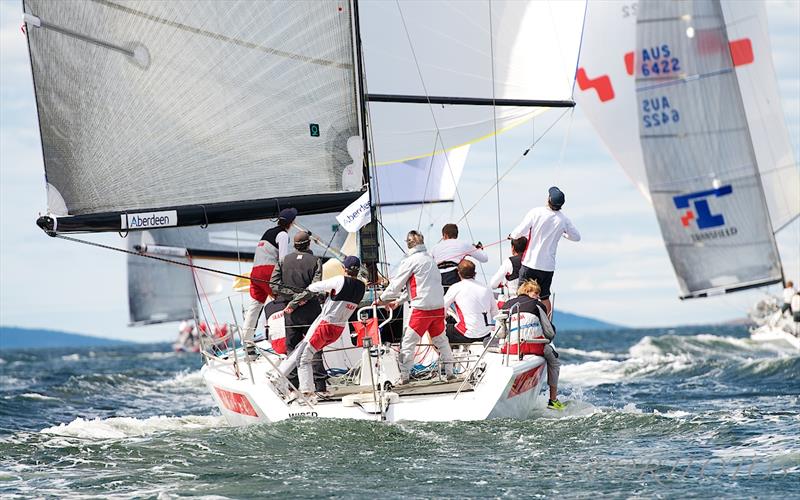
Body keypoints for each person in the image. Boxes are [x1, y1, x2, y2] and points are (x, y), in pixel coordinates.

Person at [278, 256, 366, 399]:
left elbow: (314, 287)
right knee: (302, 347)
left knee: (303, 357)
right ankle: (278, 374)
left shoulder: (339, 280)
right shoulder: (362, 287)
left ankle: (307, 392)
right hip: (337, 329)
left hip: (325, 324)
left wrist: (305, 291)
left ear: (344, 269)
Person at [376, 230, 456, 384]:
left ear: (408, 244)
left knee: (408, 343)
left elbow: (395, 286)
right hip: (438, 308)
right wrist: (398, 302)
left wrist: (381, 299)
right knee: (441, 340)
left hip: (421, 309)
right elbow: (419, 286)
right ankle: (450, 373)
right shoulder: (430, 260)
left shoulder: (410, 261)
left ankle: (404, 377)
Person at [509, 186, 580, 314]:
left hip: (530, 262)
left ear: (548, 199)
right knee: (545, 296)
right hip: (547, 266)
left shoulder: (536, 212)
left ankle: (520, 319)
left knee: (521, 293)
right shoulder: (563, 220)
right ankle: (546, 324)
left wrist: (512, 236)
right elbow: (576, 237)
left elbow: (519, 231)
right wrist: (563, 233)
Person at [272, 231, 326, 392]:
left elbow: (274, 285)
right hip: (312, 311)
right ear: (308, 244)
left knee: (292, 349)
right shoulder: (316, 261)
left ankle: (292, 388)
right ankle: (320, 387)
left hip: (291, 313)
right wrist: (301, 297)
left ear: (294, 245)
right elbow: (314, 288)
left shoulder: (283, 261)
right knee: (315, 348)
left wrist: (294, 298)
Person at [241, 208, 297, 352]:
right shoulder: (283, 235)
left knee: (255, 307)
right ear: (292, 222)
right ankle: (285, 341)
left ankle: (247, 343)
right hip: (268, 271)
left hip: (255, 272)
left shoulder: (268, 232)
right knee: (283, 301)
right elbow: (283, 259)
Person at [501, 279, 564, 410]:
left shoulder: (506, 305)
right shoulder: (538, 305)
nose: (537, 296)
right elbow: (549, 332)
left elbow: (500, 333)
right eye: (535, 293)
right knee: (554, 361)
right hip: (533, 346)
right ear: (527, 291)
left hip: (510, 348)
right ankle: (553, 400)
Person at [443, 260, 498, 344]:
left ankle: (442, 355)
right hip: (486, 334)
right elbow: (494, 312)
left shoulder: (456, 288)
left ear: (459, 273)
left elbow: (442, 308)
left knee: (436, 330)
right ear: (474, 273)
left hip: (466, 334)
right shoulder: (486, 288)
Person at [430, 223, 488, 291]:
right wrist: (479, 249)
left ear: (444, 235)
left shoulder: (434, 248)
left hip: (438, 278)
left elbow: (427, 263)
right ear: (456, 235)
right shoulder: (464, 244)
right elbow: (484, 258)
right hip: (454, 276)